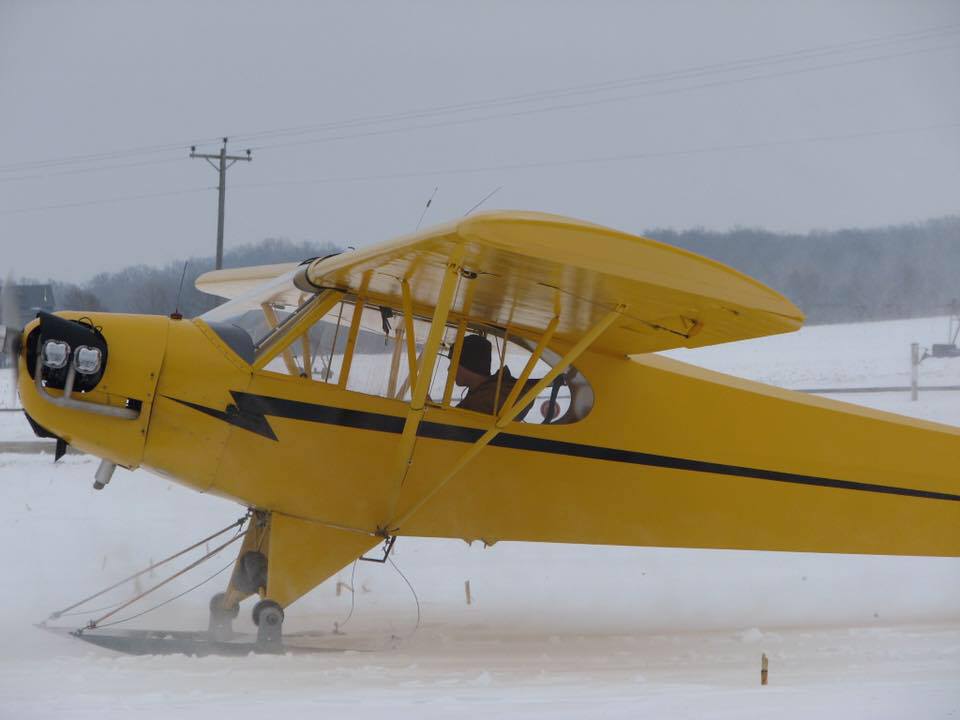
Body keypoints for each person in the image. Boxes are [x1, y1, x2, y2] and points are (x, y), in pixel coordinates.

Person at [452, 334, 535, 418]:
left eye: (453, 364)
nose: (449, 369)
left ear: (468, 365)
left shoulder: (484, 400)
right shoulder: (480, 392)